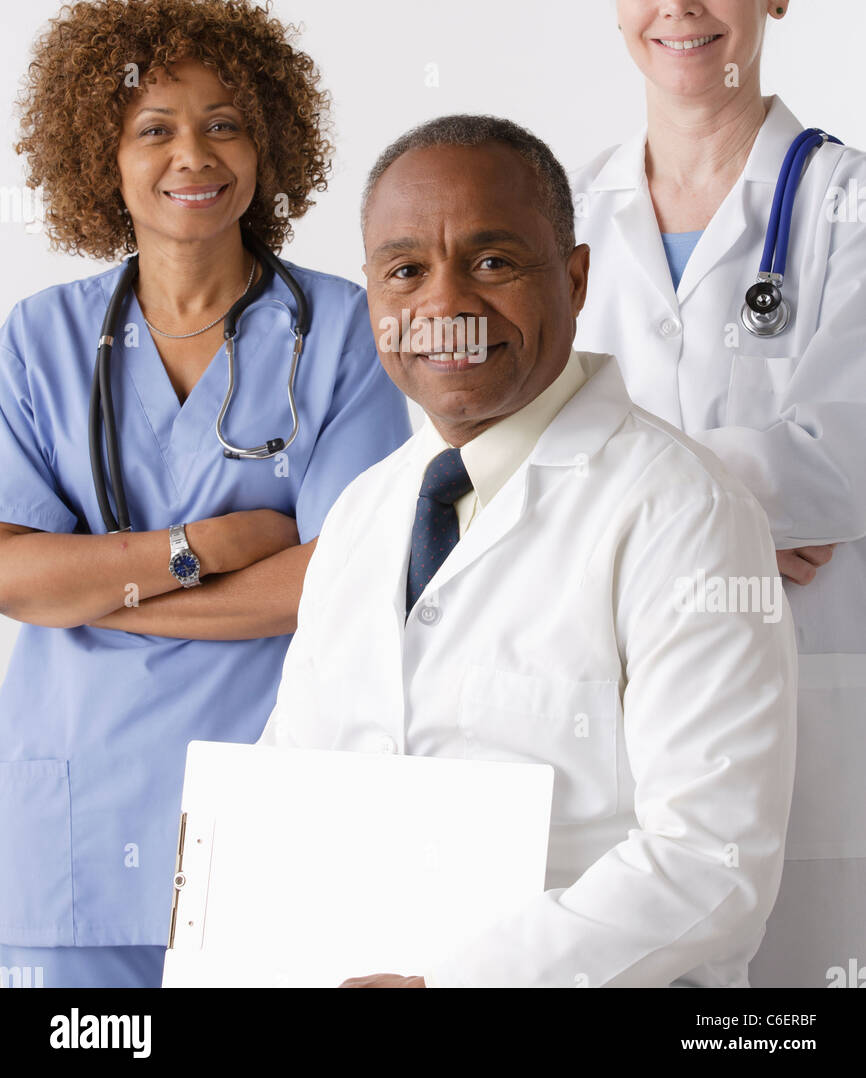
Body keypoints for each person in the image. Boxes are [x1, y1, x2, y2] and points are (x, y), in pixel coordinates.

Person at [260, 114, 797, 989]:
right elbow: (285, 797)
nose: (445, 306)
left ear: (576, 279)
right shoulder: (366, 513)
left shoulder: (684, 513)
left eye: (493, 262)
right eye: (405, 272)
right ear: (374, 305)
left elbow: (712, 859)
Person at [0, 0, 410, 989]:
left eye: (224, 124)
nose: (194, 155)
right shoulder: (39, 339)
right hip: (74, 842)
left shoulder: (344, 331)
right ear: (105, 154)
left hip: (265, 814)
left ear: (266, 145)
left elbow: (335, 582)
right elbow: (13, 576)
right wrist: (204, 550)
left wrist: (99, 595)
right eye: (155, 128)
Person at [570, 0, 866, 987]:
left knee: (805, 981)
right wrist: (741, 504)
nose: (676, 3)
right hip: (627, 680)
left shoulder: (847, 207)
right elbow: (528, 450)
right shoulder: (570, 212)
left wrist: (635, 497)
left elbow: (846, 447)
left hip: (816, 677)